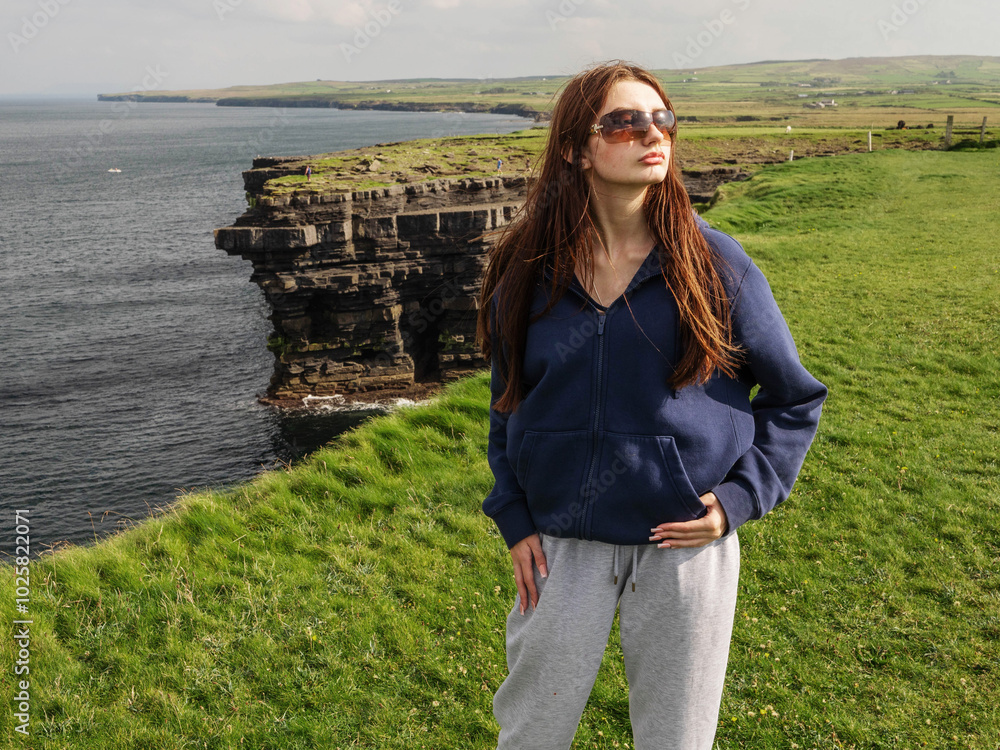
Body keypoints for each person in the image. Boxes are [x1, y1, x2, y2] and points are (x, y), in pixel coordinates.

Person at [475, 60, 828, 750]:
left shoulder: (717, 265)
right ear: (576, 148)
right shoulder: (526, 271)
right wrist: (514, 517)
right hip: (561, 546)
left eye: (661, 118)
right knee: (532, 732)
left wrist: (737, 501)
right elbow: (507, 404)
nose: (651, 133)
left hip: (683, 542)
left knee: (676, 739)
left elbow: (794, 397)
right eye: (625, 122)